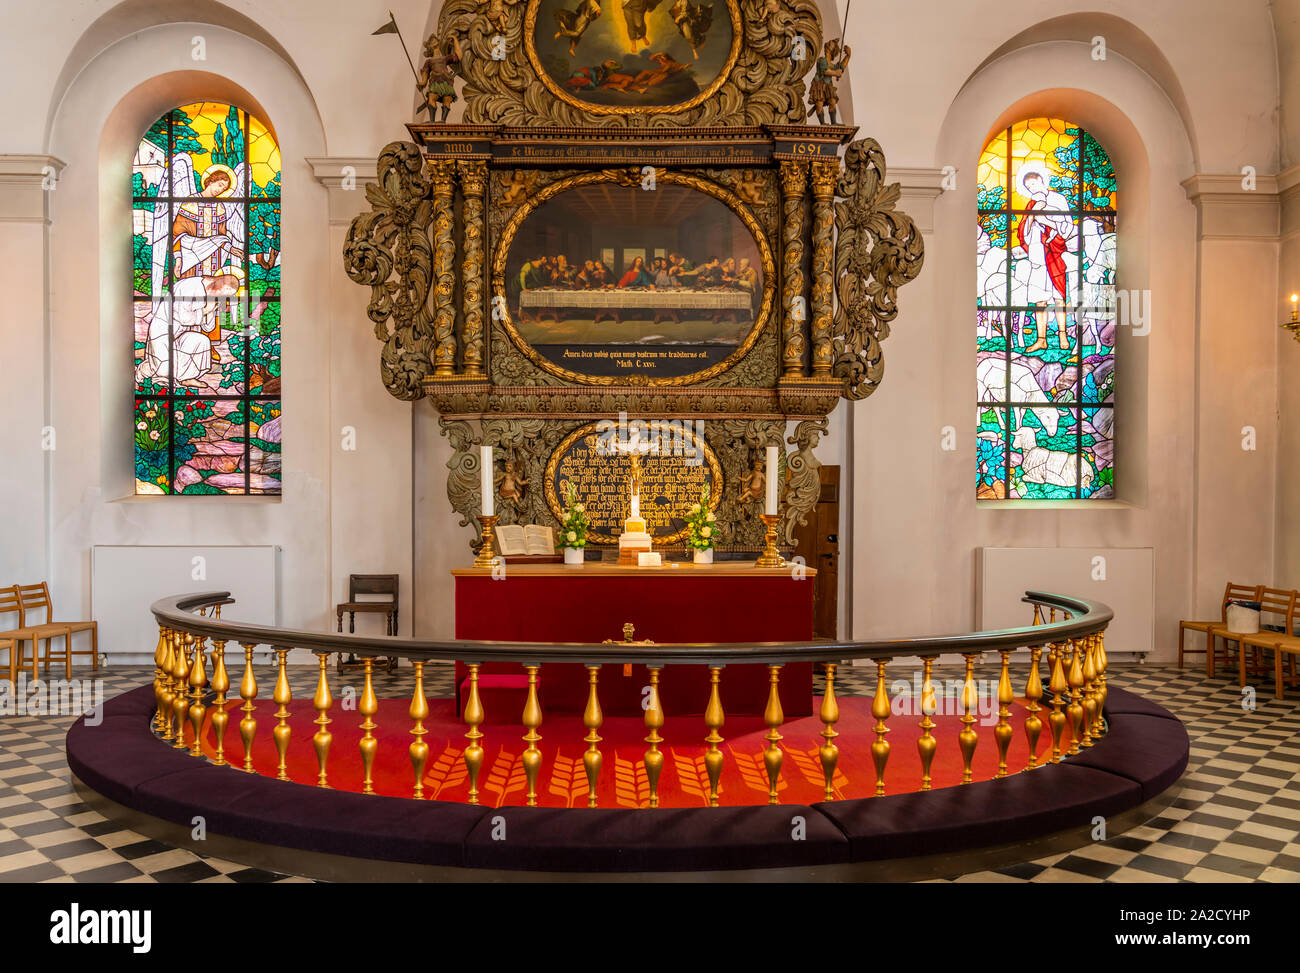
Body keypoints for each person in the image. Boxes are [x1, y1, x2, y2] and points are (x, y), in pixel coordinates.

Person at [1014, 164, 1076, 352]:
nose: (1033, 188)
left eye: (1035, 183)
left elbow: (1068, 226)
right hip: (1037, 255)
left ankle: (1062, 336)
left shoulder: (1058, 199)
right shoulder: (1031, 204)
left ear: (1042, 180)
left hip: (1054, 253)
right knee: (1040, 300)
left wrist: (1047, 220)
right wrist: (1032, 218)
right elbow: (1024, 231)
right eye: (1029, 187)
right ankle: (1041, 339)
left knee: (1059, 297)